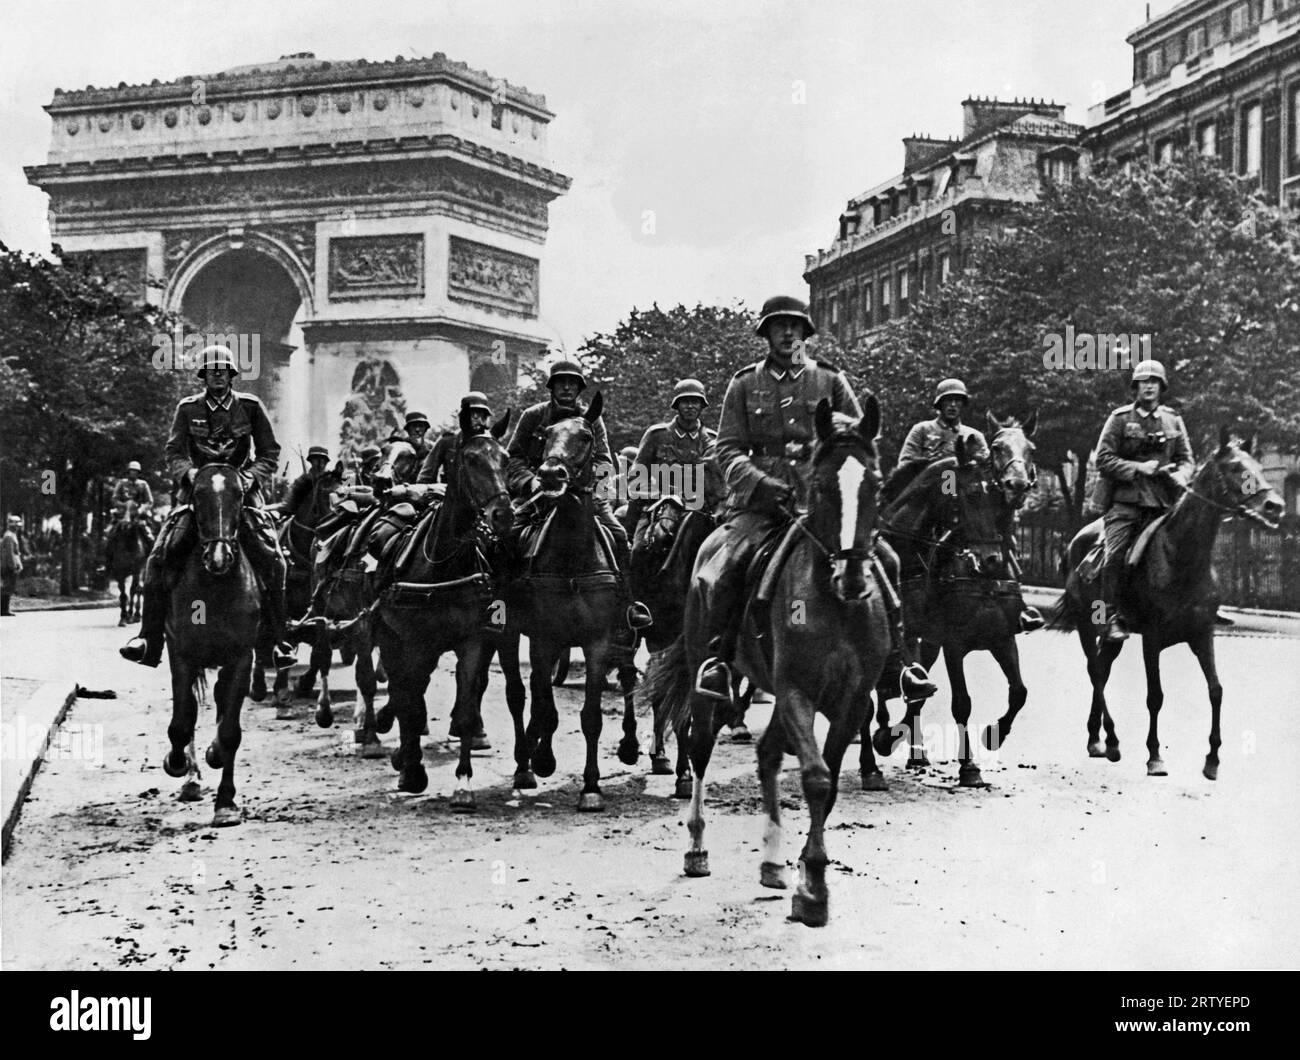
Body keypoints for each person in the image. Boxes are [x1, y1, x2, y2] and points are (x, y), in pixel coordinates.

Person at [694, 294, 937, 702]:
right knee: (728, 566)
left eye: (795, 327)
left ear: (805, 333)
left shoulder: (829, 379)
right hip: (763, 506)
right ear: (767, 334)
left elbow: (863, 435)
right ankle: (719, 660)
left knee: (888, 561)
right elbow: (727, 448)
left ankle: (898, 662)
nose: (788, 333)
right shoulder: (744, 383)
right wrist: (758, 482)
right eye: (779, 326)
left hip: (824, 503)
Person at [120, 345, 296, 668]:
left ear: (231, 375)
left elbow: (269, 452)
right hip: (197, 495)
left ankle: (276, 640)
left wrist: (248, 478)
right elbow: (173, 451)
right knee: (159, 556)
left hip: (241, 496)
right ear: (203, 375)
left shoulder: (251, 407)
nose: (217, 374)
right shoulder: (187, 408)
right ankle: (149, 638)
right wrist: (188, 473)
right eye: (211, 370)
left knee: (275, 559)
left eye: (223, 369)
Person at [505, 360, 651, 630]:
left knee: (618, 536)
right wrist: (531, 483)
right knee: (507, 534)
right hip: (538, 495)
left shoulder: (592, 419)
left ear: (580, 388)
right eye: (561, 382)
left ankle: (627, 606)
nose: (567, 387)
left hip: (583, 496)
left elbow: (603, 461)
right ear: (552, 386)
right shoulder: (533, 416)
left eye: (573, 383)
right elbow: (513, 458)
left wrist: (580, 482)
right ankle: (502, 606)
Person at [896, 378, 1043, 632]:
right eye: (947, 401)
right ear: (939, 405)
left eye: (957, 401)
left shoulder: (973, 436)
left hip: (966, 506)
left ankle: (1017, 604)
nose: (952, 405)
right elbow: (906, 467)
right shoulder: (922, 430)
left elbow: (986, 471)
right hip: (931, 501)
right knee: (903, 542)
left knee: (1001, 538)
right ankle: (898, 599)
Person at [1092, 358, 1195, 643]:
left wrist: (1182, 477)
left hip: (1165, 504)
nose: (1148, 387)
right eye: (1143, 383)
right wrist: (1138, 468)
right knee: (1113, 557)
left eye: (1154, 382)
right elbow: (1103, 459)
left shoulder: (1174, 419)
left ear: (1161, 387)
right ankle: (1107, 618)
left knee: (1194, 548)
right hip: (1127, 504)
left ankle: (1201, 607)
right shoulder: (1120, 418)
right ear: (1135, 387)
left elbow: (1187, 460)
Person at [625, 378, 724, 547]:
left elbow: (719, 485)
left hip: (700, 509)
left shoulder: (712, 441)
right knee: (640, 550)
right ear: (677, 405)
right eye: (685, 401)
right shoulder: (657, 435)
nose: (690, 406)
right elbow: (636, 475)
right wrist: (658, 492)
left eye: (695, 402)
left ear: (702, 406)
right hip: (658, 506)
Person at [417, 393, 493, 485]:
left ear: (484, 417)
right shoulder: (447, 442)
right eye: (471, 413)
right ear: (463, 416)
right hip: (450, 495)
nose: (476, 417)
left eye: (479, 413)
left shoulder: (490, 445)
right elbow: (425, 477)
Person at [270, 446, 338, 529]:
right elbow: (287, 505)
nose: (319, 463)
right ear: (311, 461)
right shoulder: (302, 480)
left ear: (326, 462)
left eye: (322, 459)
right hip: (306, 524)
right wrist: (266, 508)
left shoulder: (332, 479)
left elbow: (345, 494)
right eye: (316, 459)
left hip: (330, 519)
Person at [1, 515, 23, 617]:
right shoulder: (9, 536)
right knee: (7, 587)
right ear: (11, 525)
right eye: (16, 525)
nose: (18, 527)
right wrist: (13, 566)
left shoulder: (12, 535)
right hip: (9, 565)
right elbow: (9, 553)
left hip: (12, 564)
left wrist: (19, 564)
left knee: (9, 587)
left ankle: (5, 608)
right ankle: (3, 609)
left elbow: (15, 553)